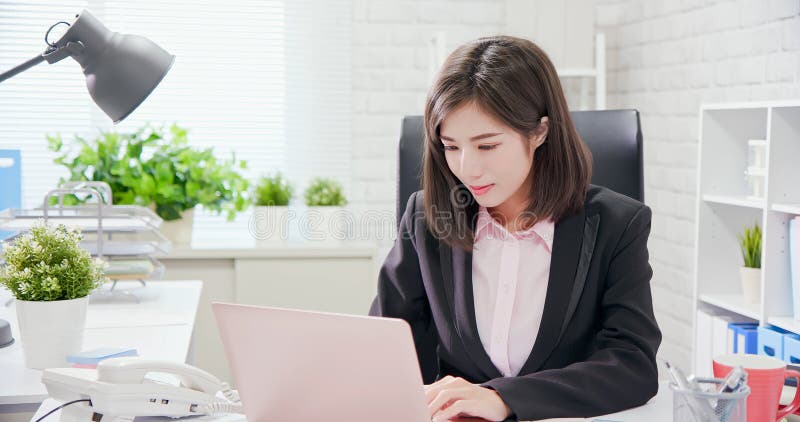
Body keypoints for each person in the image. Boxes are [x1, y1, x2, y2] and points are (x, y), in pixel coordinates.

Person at [369, 35, 661, 421]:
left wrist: (503, 398)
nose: (467, 169)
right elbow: (384, 347)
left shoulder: (617, 225)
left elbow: (633, 365)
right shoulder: (426, 217)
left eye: (487, 146)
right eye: (451, 146)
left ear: (539, 132)